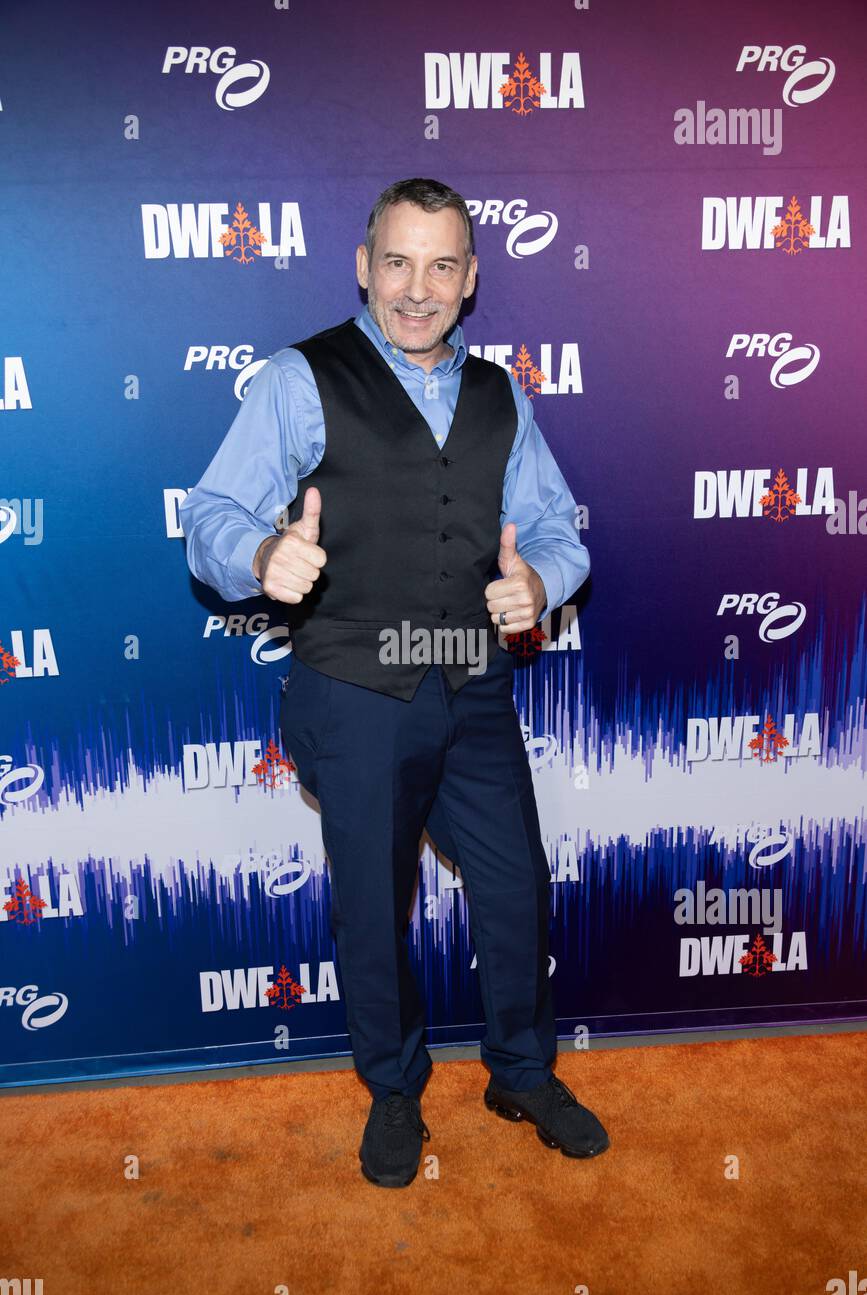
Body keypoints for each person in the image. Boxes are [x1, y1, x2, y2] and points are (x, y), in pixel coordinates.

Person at [180, 177, 609, 1187]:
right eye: (399, 262)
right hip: (357, 693)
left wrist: (540, 579)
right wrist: (258, 558)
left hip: (473, 689)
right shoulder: (299, 379)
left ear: (470, 283)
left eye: (443, 266)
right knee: (375, 902)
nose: (418, 288)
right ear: (364, 266)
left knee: (514, 887)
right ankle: (393, 1090)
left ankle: (521, 1072)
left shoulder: (503, 393)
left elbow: (552, 523)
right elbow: (210, 511)